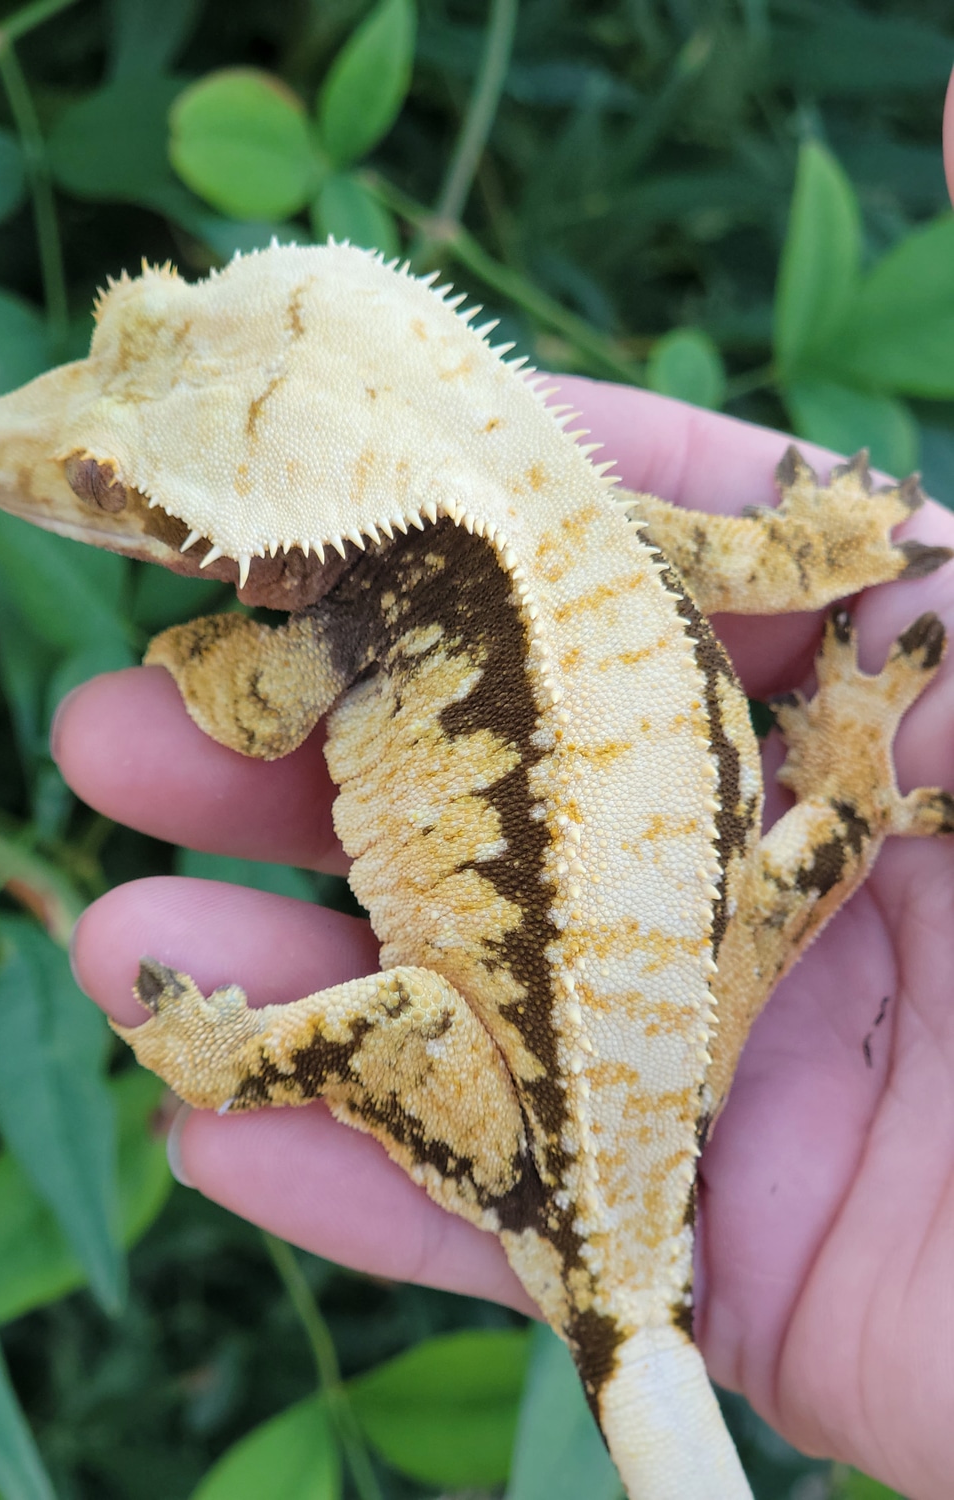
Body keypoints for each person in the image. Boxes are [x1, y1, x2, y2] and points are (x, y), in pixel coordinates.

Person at [55, 82, 954, 1496]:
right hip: (659, 1042)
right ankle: (857, 774)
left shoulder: (398, 584)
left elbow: (248, 713)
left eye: (105, 487)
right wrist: (852, 560)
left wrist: (200, 642)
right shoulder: (602, 519)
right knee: (821, 830)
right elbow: (789, 565)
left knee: (407, 1017)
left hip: (572, 1141)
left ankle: (245, 1068)